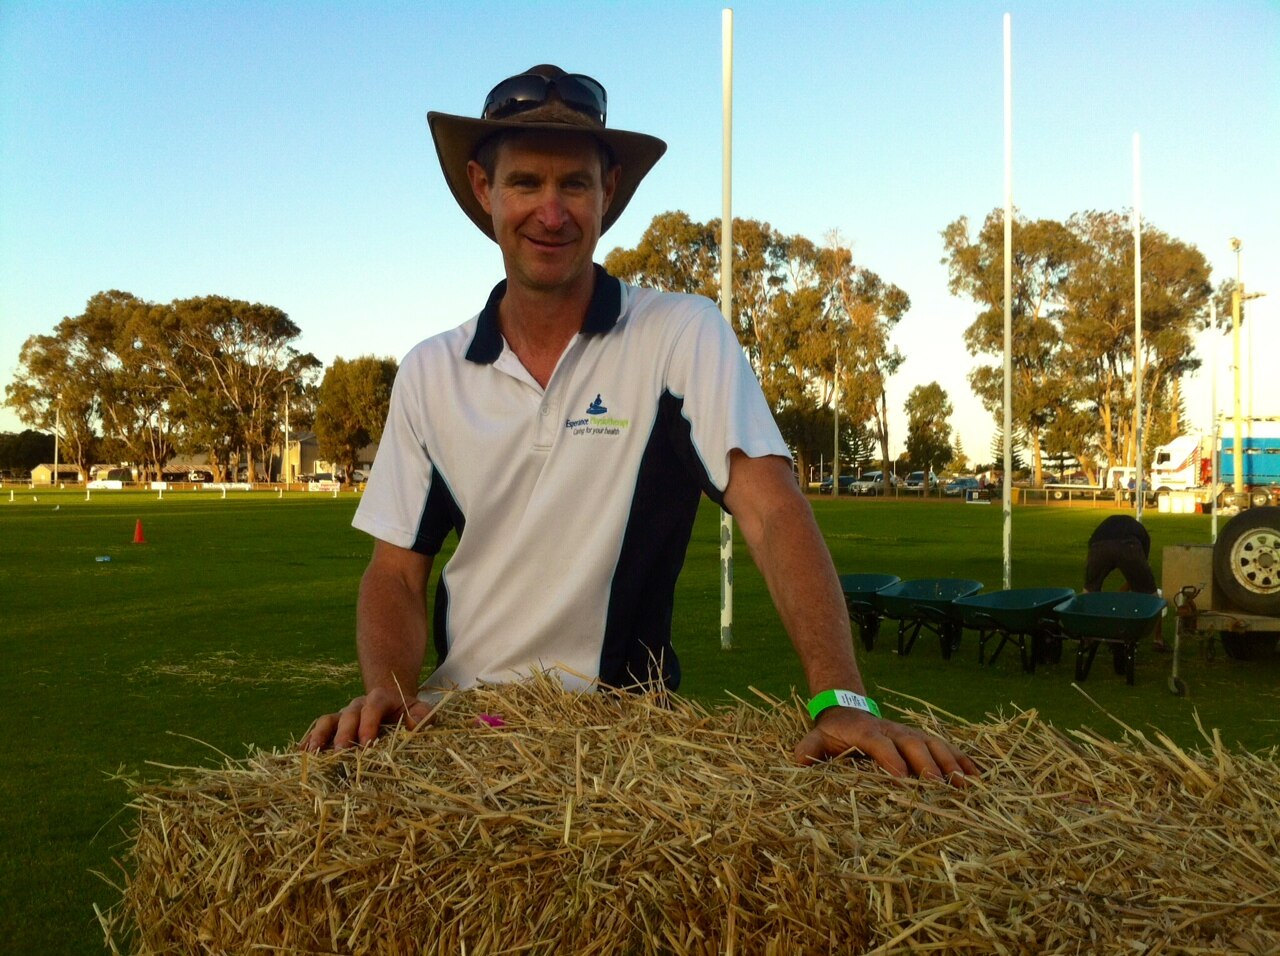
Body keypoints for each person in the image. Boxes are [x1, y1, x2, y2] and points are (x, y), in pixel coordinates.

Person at [302, 65, 976, 782]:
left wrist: (840, 699)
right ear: (483, 189)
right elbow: (396, 574)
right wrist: (389, 696)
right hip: (461, 736)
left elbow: (774, 509)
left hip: (623, 745)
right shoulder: (431, 371)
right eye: (527, 183)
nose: (552, 213)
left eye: (576, 186)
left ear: (608, 192)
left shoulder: (680, 334)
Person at [1084, 513, 1167, 650]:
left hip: (1098, 546)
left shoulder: (1104, 528)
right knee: (1151, 595)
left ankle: (1087, 637)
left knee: (1089, 592)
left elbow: (1093, 548)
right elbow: (1138, 575)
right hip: (1128, 546)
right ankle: (1158, 639)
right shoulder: (1142, 535)